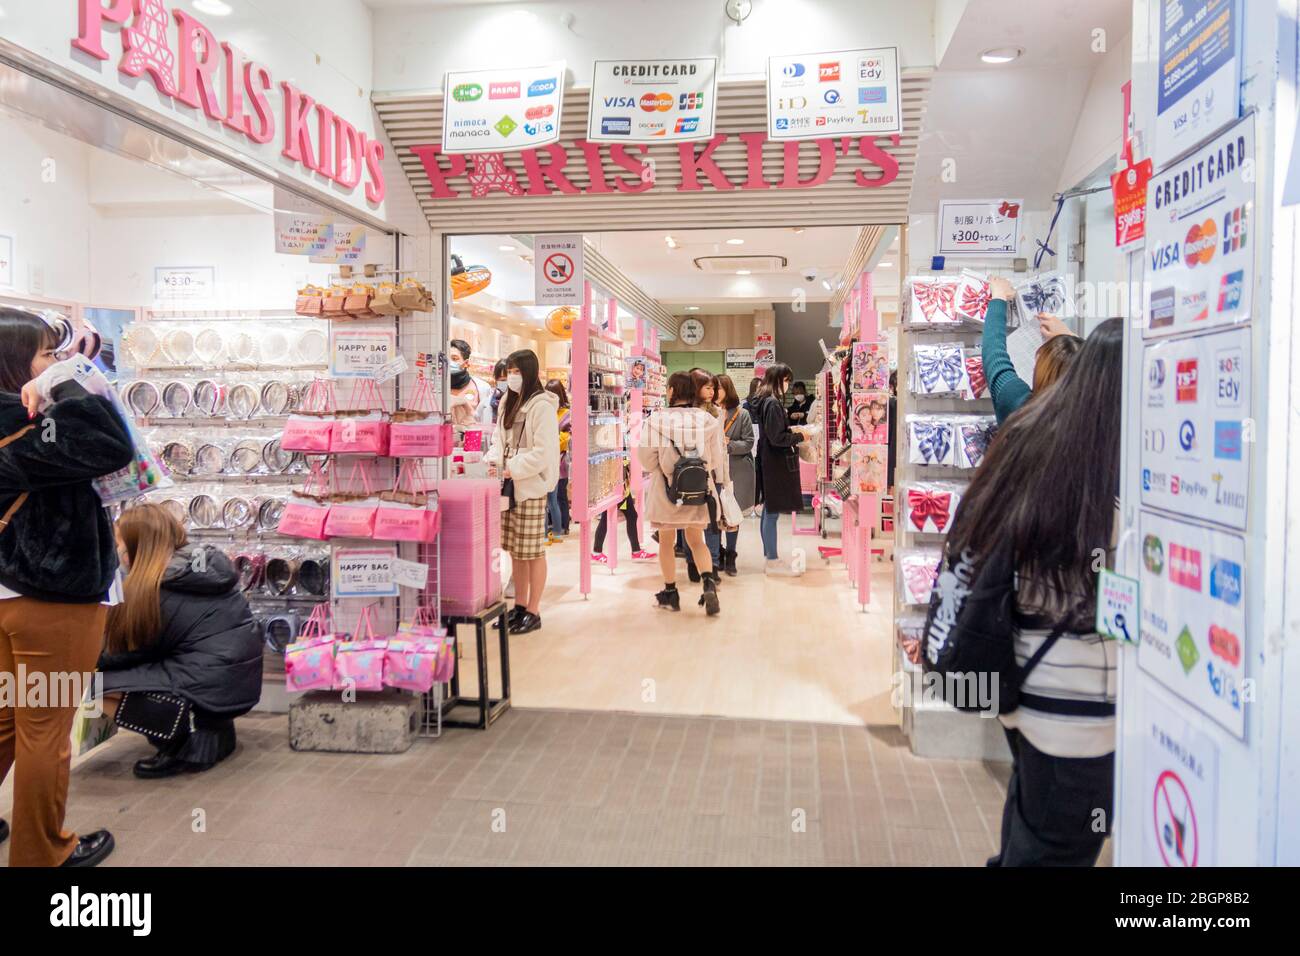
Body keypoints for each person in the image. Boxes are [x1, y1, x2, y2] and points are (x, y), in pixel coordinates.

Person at [945, 317, 1124, 867]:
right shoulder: (1119, 475)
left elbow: (996, 364)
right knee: (1053, 844)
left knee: (1030, 820)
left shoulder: (1025, 431)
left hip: (1026, 685)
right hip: (1084, 714)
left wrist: (999, 309)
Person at [0, 307, 135, 867]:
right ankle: (41, 854)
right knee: (45, 729)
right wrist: (67, 378)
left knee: (8, 718)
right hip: (48, 595)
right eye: (42, 354)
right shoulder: (27, 420)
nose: (51, 363)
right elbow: (112, 443)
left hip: (10, 595)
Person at [100, 505, 261, 779]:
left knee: (87, 685)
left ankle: (178, 744)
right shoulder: (196, 569)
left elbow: (129, 651)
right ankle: (210, 730)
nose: (117, 553)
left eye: (119, 544)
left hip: (210, 683)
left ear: (136, 545)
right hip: (235, 683)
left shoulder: (158, 587)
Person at [638, 371, 726, 616]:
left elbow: (646, 460)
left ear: (671, 391)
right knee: (697, 541)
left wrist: (667, 470)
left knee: (666, 541)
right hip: (699, 492)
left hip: (667, 492)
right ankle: (708, 582)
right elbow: (716, 459)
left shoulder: (656, 421)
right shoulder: (708, 421)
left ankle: (670, 592)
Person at [486, 349, 560, 635]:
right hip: (508, 486)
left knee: (532, 551)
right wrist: (494, 462)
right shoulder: (508, 400)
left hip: (530, 486)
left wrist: (510, 466)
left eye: (516, 372)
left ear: (528, 372)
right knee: (516, 551)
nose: (511, 378)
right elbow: (497, 438)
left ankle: (534, 609)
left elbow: (542, 453)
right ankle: (518, 607)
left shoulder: (541, 406)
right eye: (508, 373)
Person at [984, 278, 1083, 424]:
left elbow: (993, 355)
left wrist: (999, 295)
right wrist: (1070, 340)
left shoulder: (1019, 405)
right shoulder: (1092, 419)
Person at [753, 363, 807, 576]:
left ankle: (770, 557)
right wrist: (800, 436)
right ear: (778, 380)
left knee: (769, 509)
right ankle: (772, 560)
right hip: (775, 463)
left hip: (768, 461)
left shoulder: (765, 402)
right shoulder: (773, 404)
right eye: (786, 380)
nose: (788, 385)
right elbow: (778, 438)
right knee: (772, 512)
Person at [715, 374, 754, 577]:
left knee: (732, 514)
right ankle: (718, 552)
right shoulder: (708, 413)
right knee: (714, 515)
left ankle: (730, 555)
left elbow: (748, 443)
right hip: (714, 471)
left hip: (736, 471)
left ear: (727, 390)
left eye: (718, 388)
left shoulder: (742, 414)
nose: (714, 392)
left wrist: (728, 444)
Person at [591, 458, 656, 563]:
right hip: (616, 485)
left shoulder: (623, 444)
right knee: (607, 518)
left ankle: (636, 551)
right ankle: (596, 552)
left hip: (622, 486)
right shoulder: (615, 445)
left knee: (631, 515)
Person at [544, 379, 571, 542]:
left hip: (560, 459)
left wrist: (553, 439)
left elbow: (568, 437)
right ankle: (557, 526)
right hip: (548, 459)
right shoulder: (546, 411)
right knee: (554, 497)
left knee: (560, 495)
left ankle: (562, 527)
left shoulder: (566, 413)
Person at [447, 338, 482, 428]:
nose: (449, 362)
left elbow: (482, 419)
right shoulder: (436, 386)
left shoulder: (480, 387)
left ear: (466, 363)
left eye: (454, 359)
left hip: (469, 438)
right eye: (446, 358)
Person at [486, 359, 508, 425]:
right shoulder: (487, 402)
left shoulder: (521, 403)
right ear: (496, 380)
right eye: (503, 380)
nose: (508, 383)